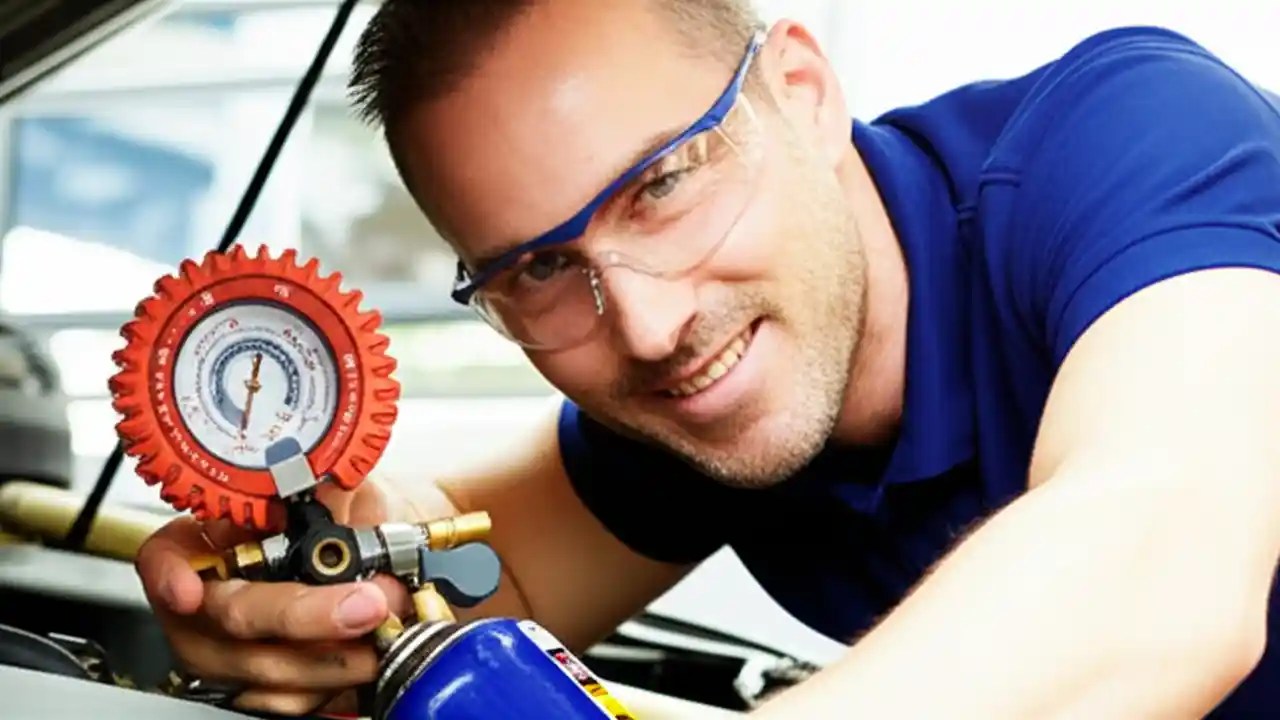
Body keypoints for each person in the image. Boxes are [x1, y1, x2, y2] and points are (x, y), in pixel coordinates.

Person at [133, 0, 1280, 717]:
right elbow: (495, 583)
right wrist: (307, 599)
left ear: (802, 94)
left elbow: (1160, 561)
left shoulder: (1129, 138)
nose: (642, 325)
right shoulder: (703, 396)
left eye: (663, 185)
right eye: (535, 269)